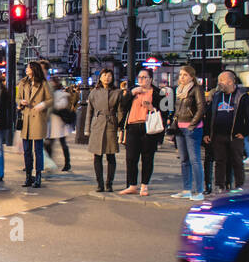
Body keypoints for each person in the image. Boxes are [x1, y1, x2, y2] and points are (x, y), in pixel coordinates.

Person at [205, 70, 249, 194]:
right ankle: (220, 186)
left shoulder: (242, 96)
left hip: (235, 135)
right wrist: (207, 133)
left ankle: (239, 186)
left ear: (231, 81)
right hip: (218, 135)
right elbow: (209, 115)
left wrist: (244, 132)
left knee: (237, 161)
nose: (219, 83)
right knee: (220, 161)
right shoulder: (216, 96)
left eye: (222, 80)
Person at [118, 68, 161, 196]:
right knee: (131, 158)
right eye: (140, 77)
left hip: (148, 127)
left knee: (147, 158)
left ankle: (144, 185)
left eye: (144, 77)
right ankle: (132, 185)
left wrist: (151, 108)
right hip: (132, 126)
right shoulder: (134, 91)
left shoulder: (157, 93)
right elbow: (122, 105)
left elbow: (164, 110)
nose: (141, 80)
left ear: (151, 79)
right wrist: (131, 93)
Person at [169, 64, 207, 201]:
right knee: (184, 160)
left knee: (194, 159)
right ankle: (186, 189)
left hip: (192, 128)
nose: (182, 77)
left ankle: (199, 191)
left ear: (192, 76)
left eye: (185, 75)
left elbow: (201, 107)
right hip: (179, 127)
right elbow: (177, 109)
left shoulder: (196, 89)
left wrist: (192, 124)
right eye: (180, 75)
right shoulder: (179, 90)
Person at [83, 68, 121, 192]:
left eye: (109, 75)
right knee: (97, 156)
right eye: (104, 75)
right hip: (97, 124)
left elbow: (120, 111)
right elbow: (89, 111)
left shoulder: (117, 92)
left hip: (111, 124)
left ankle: (109, 183)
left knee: (111, 155)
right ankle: (100, 183)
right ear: (100, 77)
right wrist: (87, 129)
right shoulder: (94, 92)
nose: (107, 78)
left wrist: (120, 128)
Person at [16, 61, 52, 188]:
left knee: (38, 150)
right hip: (26, 119)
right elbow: (18, 98)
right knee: (27, 151)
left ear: (34, 69)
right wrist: (21, 102)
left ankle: (38, 176)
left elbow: (50, 100)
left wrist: (42, 105)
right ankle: (28, 177)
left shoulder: (43, 84)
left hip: (37, 119)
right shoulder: (23, 82)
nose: (26, 69)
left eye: (28, 67)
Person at [46, 77, 73, 172]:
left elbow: (62, 105)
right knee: (49, 144)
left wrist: (50, 104)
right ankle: (50, 162)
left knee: (62, 144)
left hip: (59, 123)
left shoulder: (61, 94)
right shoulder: (49, 93)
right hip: (51, 122)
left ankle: (67, 163)